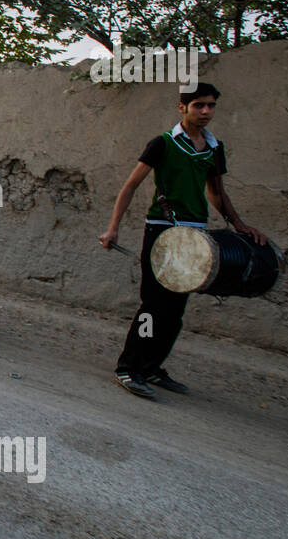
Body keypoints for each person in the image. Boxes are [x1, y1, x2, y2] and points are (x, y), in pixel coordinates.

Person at [99, 83, 266, 399]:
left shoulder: (213, 148)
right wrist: (113, 228)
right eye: (198, 106)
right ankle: (128, 368)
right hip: (162, 231)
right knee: (154, 303)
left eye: (211, 106)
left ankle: (151, 367)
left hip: (195, 236)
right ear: (182, 108)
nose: (205, 112)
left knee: (175, 308)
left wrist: (240, 224)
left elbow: (216, 193)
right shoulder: (162, 144)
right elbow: (130, 186)